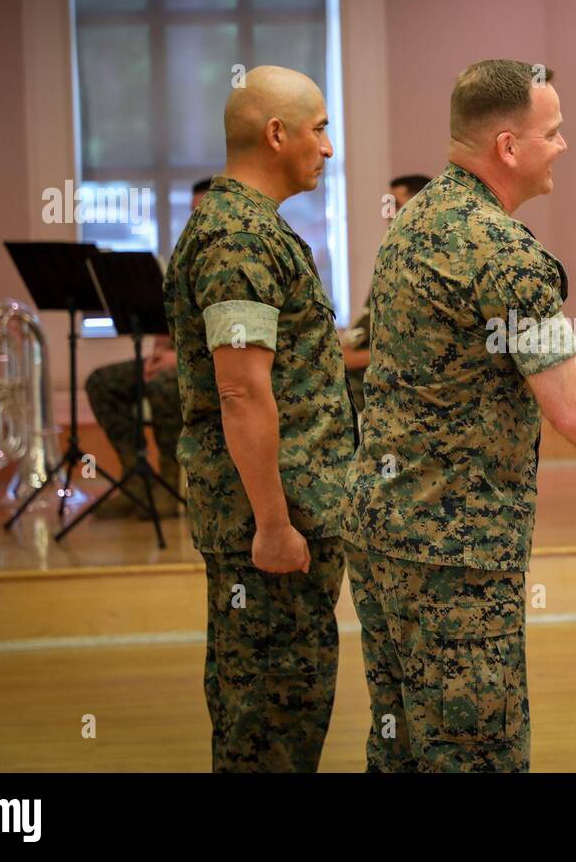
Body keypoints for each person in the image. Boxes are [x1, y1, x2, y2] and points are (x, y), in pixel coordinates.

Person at [345, 59, 576, 773]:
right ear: (509, 147)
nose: (564, 145)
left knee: (402, 744)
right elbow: (567, 404)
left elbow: (514, 345)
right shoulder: (504, 252)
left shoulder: (418, 217)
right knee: (478, 753)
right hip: (456, 549)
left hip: (383, 528)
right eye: (555, 132)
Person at [163, 66, 357, 772]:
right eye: (320, 129)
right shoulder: (239, 241)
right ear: (277, 134)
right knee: (271, 720)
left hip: (284, 512)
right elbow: (242, 392)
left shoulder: (250, 229)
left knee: (276, 712)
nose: (328, 148)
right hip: (271, 522)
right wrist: (274, 524)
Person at [86, 178, 211, 519]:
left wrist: (178, 360)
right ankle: (135, 478)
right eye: (192, 213)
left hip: (212, 368)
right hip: (176, 358)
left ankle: (170, 486)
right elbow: (169, 321)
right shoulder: (183, 259)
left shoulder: (228, 260)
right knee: (101, 382)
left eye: (203, 212)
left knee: (163, 386)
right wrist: (159, 352)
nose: (196, 221)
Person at [340, 173, 431, 413]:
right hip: (359, 396)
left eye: (396, 205)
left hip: (390, 403)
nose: (388, 214)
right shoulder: (393, 259)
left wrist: (347, 359)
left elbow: (419, 350)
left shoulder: (428, 267)